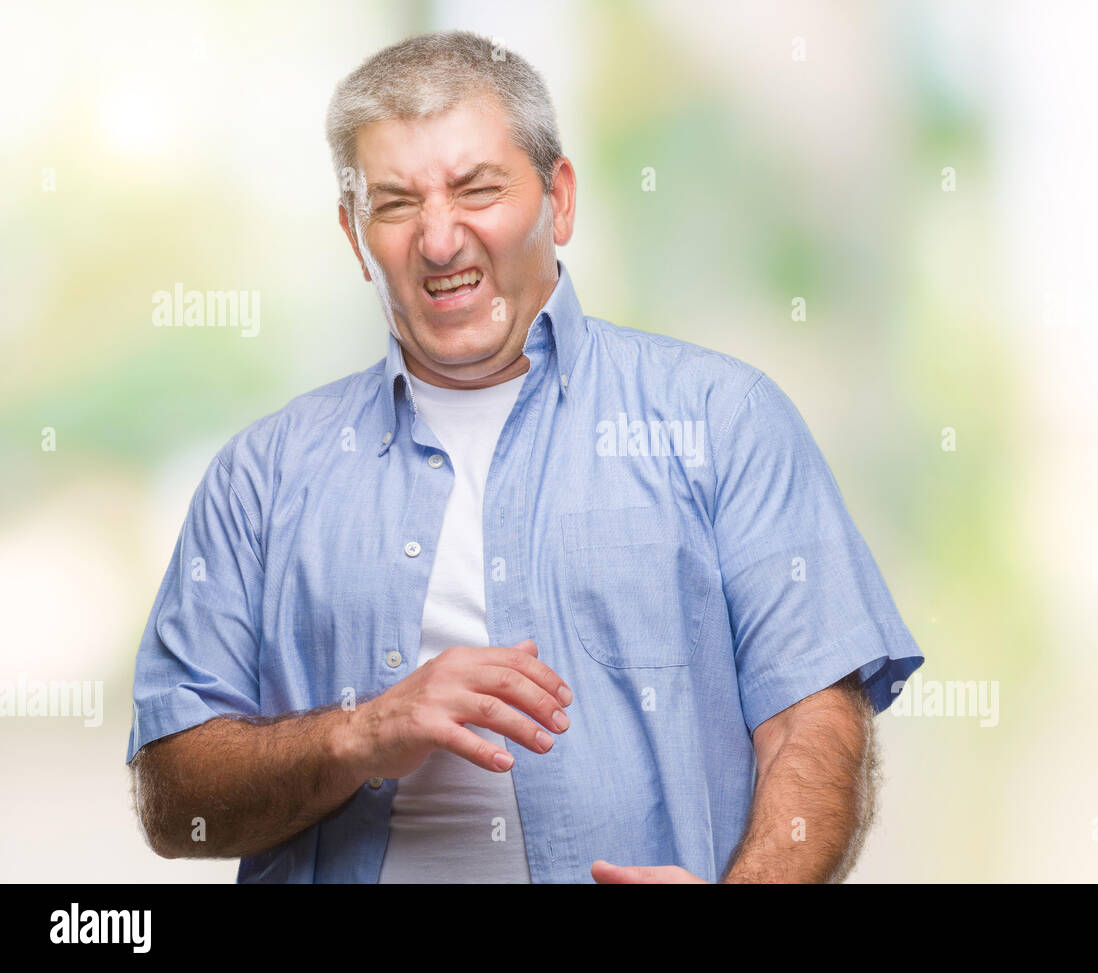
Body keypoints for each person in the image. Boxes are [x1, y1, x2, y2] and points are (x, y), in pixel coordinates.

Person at [127, 30, 924, 884]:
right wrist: (364, 732)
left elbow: (816, 726)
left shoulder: (724, 420)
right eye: (395, 204)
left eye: (477, 188)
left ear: (560, 200)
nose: (440, 240)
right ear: (356, 236)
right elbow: (175, 797)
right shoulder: (260, 479)